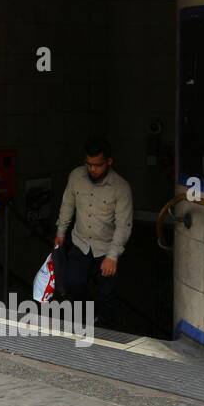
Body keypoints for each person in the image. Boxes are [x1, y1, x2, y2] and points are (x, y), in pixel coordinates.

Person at [55, 137, 133, 329]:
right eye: (88, 164)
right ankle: (82, 323)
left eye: (97, 165)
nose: (92, 170)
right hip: (80, 242)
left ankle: (104, 329)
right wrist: (61, 231)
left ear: (109, 162)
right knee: (72, 284)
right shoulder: (76, 177)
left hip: (105, 248)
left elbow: (124, 225)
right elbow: (67, 205)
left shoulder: (121, 188)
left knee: (107, 294)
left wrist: (113, 257)